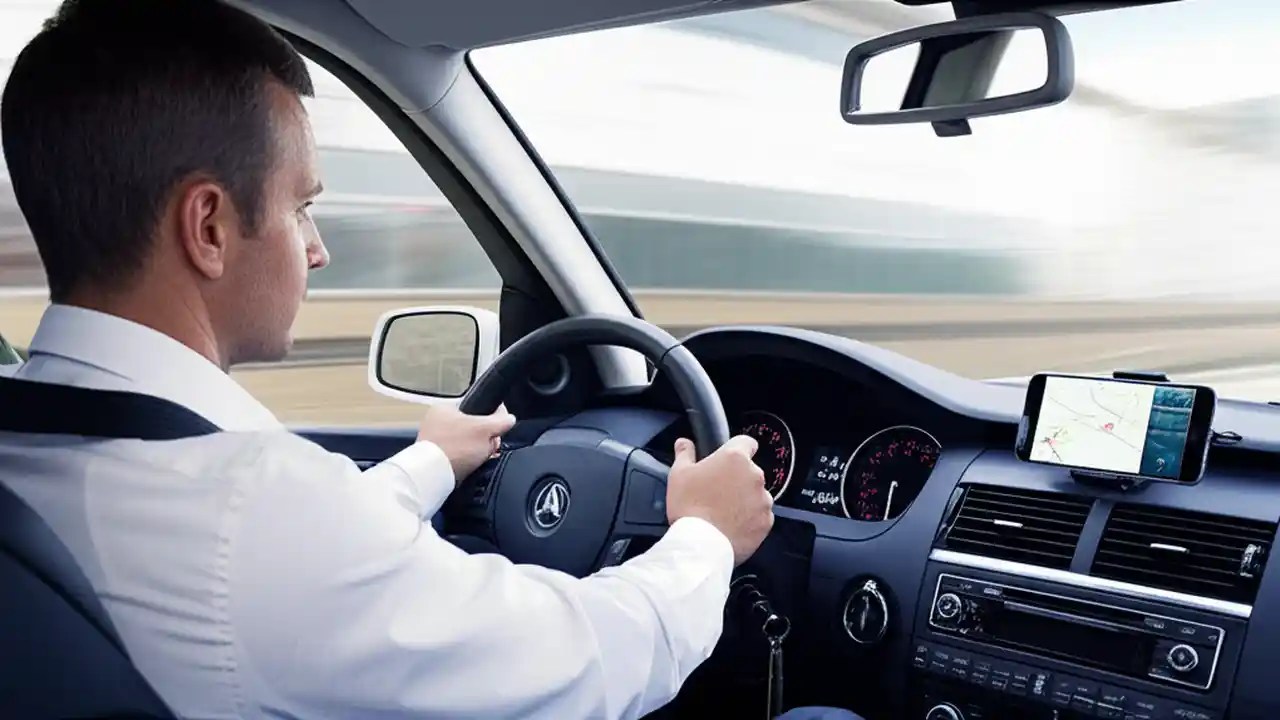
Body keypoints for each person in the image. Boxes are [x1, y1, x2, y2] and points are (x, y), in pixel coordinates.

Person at [0, 1, 863, 719]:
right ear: (211, 228)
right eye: (303, 207)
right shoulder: (256, 511)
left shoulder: (47, 446)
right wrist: (708, 536)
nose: (318, 249)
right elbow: (584, 662)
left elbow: (282, 584)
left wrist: (425, 464)